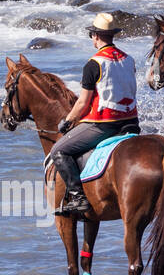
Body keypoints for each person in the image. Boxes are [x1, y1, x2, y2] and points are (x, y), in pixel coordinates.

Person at [49, 12, 141, 215]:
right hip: (131, 123)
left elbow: (83, 103)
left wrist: (67, 120)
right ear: (112, 35)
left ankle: (78, 197)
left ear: (96, 36)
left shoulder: (94, 64)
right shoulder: (129, 60)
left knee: (58, 151)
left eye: (92, 35)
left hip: (104, 125)